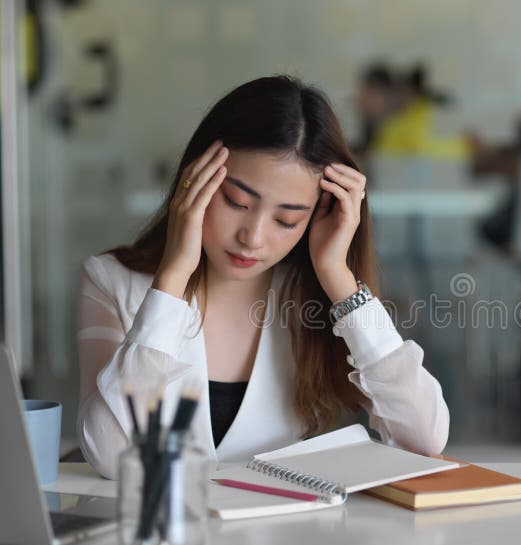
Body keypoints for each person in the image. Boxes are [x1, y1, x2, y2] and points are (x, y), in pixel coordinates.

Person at [76, 75, 450, 480]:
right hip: (168, 540)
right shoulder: (111, 282)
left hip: (285, 540)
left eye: (287, 220)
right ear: (194, 180)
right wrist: (172, 280)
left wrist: (338, 276)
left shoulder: (308, 293)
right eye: (236, 202)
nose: (252, 238)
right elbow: (110, 454)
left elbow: (423, 440)